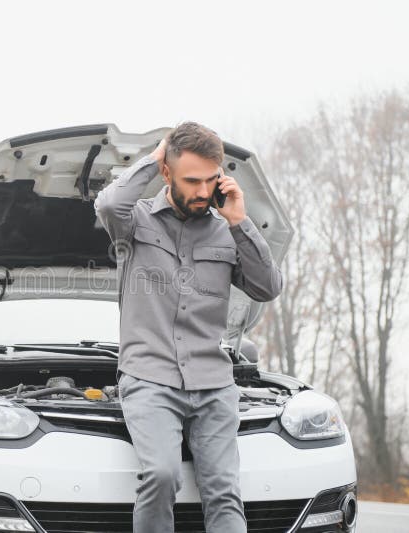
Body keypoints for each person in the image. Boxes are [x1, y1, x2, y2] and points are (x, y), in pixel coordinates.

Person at [94, 121, 283, 532]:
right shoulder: (134, 223)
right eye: (191, 180)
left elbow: (267, 287)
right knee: (161, 475)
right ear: (167, 172)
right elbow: (108, 205)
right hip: (150, 378)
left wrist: (240, 222)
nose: (202, 191)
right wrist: (153, 157)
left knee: (224, 490)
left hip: (213, 382)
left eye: (210, 180)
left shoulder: (227, 231)